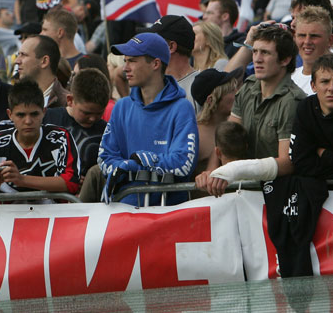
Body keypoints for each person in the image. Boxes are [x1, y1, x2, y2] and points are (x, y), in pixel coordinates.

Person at [196, 24, 304, 197]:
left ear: (285, 60)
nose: (257, 59)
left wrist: (234, 170)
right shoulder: (248, 87)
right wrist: (212, 172)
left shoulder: (292, 101)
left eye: (266, 53)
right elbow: (226, 137)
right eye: (255, 52)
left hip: (276, 196)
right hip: (243, 194)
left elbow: (287, 163)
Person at [98, 33, 199, 205]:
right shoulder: (121, 107)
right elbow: (105, 157)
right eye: (125, 61)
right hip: (124, 213)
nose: (125, 68)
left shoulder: (182, 108)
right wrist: (133, 165)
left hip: (168, 215)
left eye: (132, 61)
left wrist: (145, 162)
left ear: (155, 64)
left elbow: (184, 164)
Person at [0, 80, 81, 195]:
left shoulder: (60, 138)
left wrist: (22, 180)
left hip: (52, 212)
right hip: (7, 213)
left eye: (34, 114)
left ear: (44, 112)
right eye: (21, 115)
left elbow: (71, 182)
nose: (28, 121)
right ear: (10, 114)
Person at [189, 68, 241, 175]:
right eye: (231, 90)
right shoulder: (193, 134)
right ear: (211, 100)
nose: (237, 94)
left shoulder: (239, 124)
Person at [149, 15, 199, 110]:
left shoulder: (200, 87)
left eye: (154, 41)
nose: (148, 45)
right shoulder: (150, 85)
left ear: (171, 47)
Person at [290, 6, 333, 95]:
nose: (307, 42)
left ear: (330, 40)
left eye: (314, 36)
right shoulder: (290, 78)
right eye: (302, 35)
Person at [15, 35, 68, 108]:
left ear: (44, 61)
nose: (17, 61)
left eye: (23, 55)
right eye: (18, 55)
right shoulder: (14, 98)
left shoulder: (67, 104)